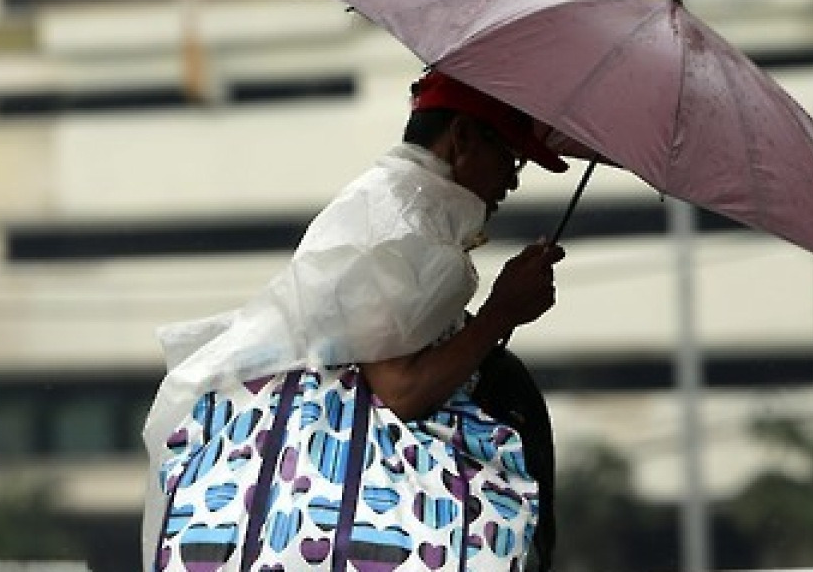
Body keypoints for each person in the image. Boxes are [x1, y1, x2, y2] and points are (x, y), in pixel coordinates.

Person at [142, 71, 567, 571]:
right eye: (511, 157)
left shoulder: (383, 200)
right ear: (463, 138)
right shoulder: (412, 225)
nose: (513, 180)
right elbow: (400, 390)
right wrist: (501, 312)